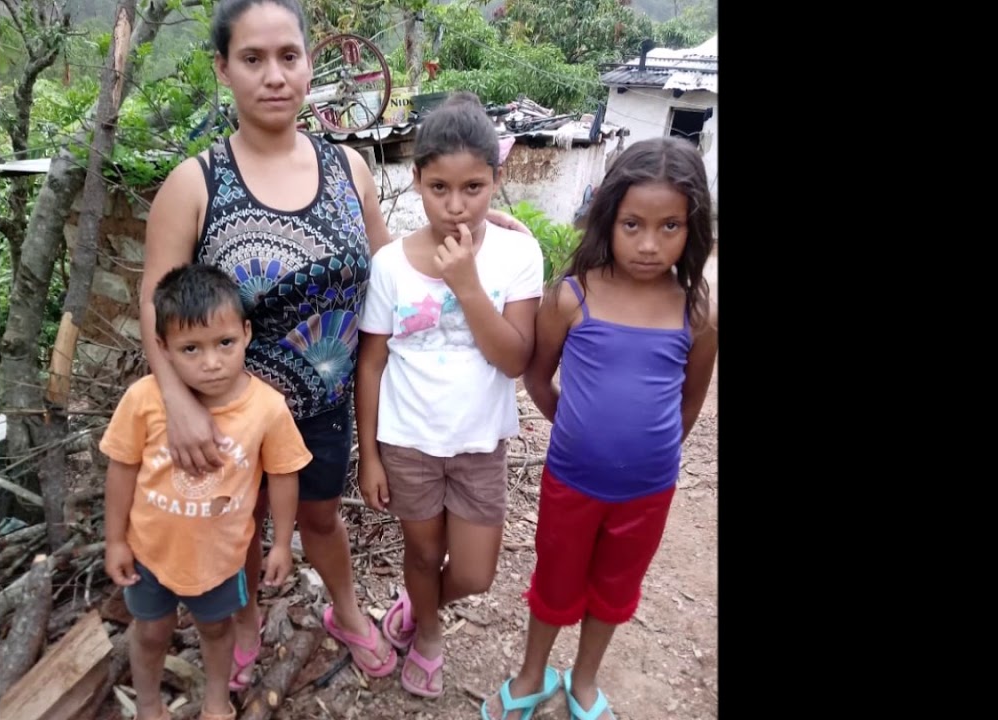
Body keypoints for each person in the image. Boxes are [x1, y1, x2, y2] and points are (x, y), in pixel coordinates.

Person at [136, 0, 534, 689]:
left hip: (323, 402)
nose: (273, 76)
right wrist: (177, 400)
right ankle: (247, 618)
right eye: (252, 59)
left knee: (319, 516)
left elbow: (392, 266)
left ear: (309, 66)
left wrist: (478, 218)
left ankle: (347, 612)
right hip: (227, 406)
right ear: (222, 70)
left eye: (288, 57)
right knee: (238, 522)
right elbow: (155, 299)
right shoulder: (195, 183)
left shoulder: (347, 168)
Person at [480, 135, 719, 720]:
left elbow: (689, 403)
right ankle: (534, 674)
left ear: (693, 230)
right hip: (572, 481)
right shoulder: (572, 296)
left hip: (648, 490)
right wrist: (579, 430)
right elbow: (538, 378)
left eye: (670, 227)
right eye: (633, 224)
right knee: (554, 580)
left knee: (615, 591)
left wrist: (648, 449)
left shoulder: (697, 311)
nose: (648, 243)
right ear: (609, 217)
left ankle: (583, 681)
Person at [354, 91, 544, 700]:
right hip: (407, 440)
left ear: (496, 179)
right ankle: (428, 635)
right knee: (422, 548)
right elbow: (373, 362)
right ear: (415, 181)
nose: (456, 206)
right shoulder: (390, 265)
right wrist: (371, 455)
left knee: (474, 571)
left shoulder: (518, 253)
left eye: (474, 188)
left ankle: (418, 604)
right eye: (439, 188)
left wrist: (466, 283)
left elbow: (514, 358)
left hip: (479, 441)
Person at [100, 263, 312, 720]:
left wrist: (279, 544)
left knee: (216, 631)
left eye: (225, 343)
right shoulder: (144, 400)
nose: (211, 362)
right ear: (163, 348)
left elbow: (283, 474)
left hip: (222, 559)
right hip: (149, 555)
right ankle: (150, 704)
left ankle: (216, 701)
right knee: (151, 631)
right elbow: (121, 469)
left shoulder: (267, 409)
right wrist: (115, 539)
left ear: (246, 333)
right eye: (190, 348)